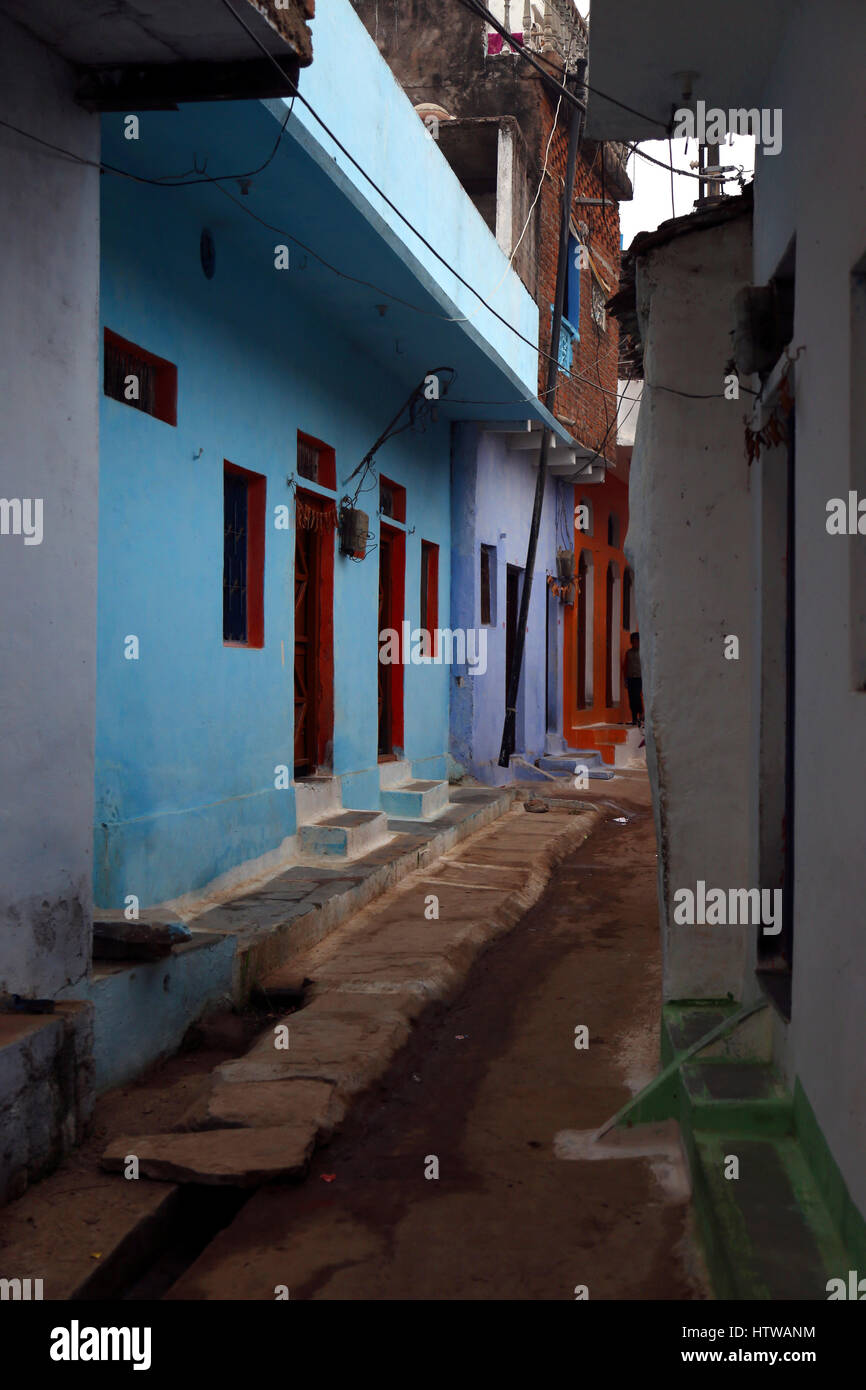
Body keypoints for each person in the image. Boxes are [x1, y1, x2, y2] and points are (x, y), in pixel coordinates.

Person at [624, 631, 643, 727]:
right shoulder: (628, 653)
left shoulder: (642, 652)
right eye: (633, 641)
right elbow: (626, 666)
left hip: (640, 678)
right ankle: (634, 718)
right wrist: (625, 680)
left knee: (637, 697)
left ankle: (641, 714)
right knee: (631, 699)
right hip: (631, 678)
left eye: (637, 641)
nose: (635, 643)